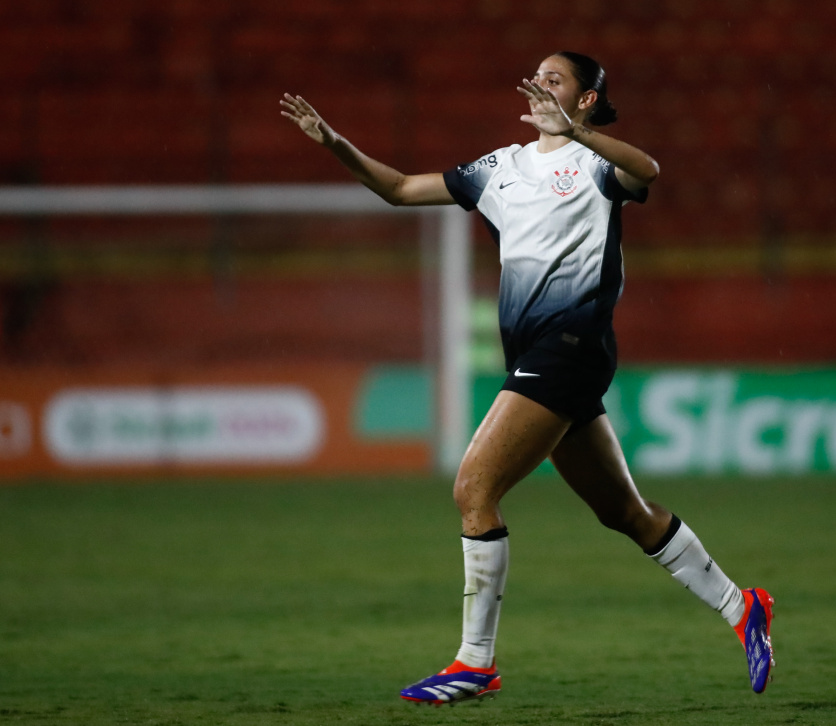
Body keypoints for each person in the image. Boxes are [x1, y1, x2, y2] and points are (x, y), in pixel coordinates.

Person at [280, 50, 775, 704]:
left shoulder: (595, 162)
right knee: (624, 513)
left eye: (556, 78)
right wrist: (336, 143)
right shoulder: (499, 168)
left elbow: (647, 170)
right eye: (538, 76)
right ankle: (743, 606)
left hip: (571, 347)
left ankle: (474, 663)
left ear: (586, 99)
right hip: (536, 355)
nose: (540, 84)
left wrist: (578, 134)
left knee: (473, 488)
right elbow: (399, 189)